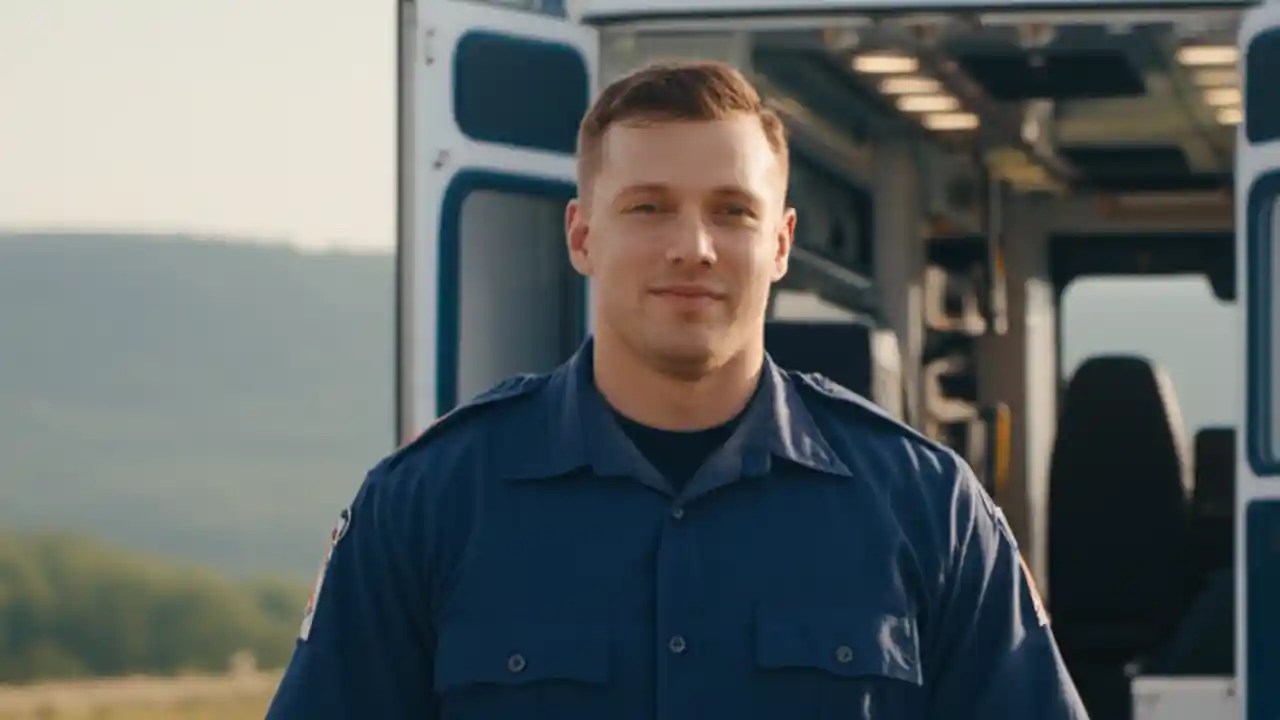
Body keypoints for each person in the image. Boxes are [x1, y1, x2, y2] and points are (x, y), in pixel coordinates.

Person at [265, 59, 1090, 719]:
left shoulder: (927, 507)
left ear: (780, 243)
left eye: (732, 212)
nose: (692, 246)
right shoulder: (427, 507)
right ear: (582, 234)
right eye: (649, 208)